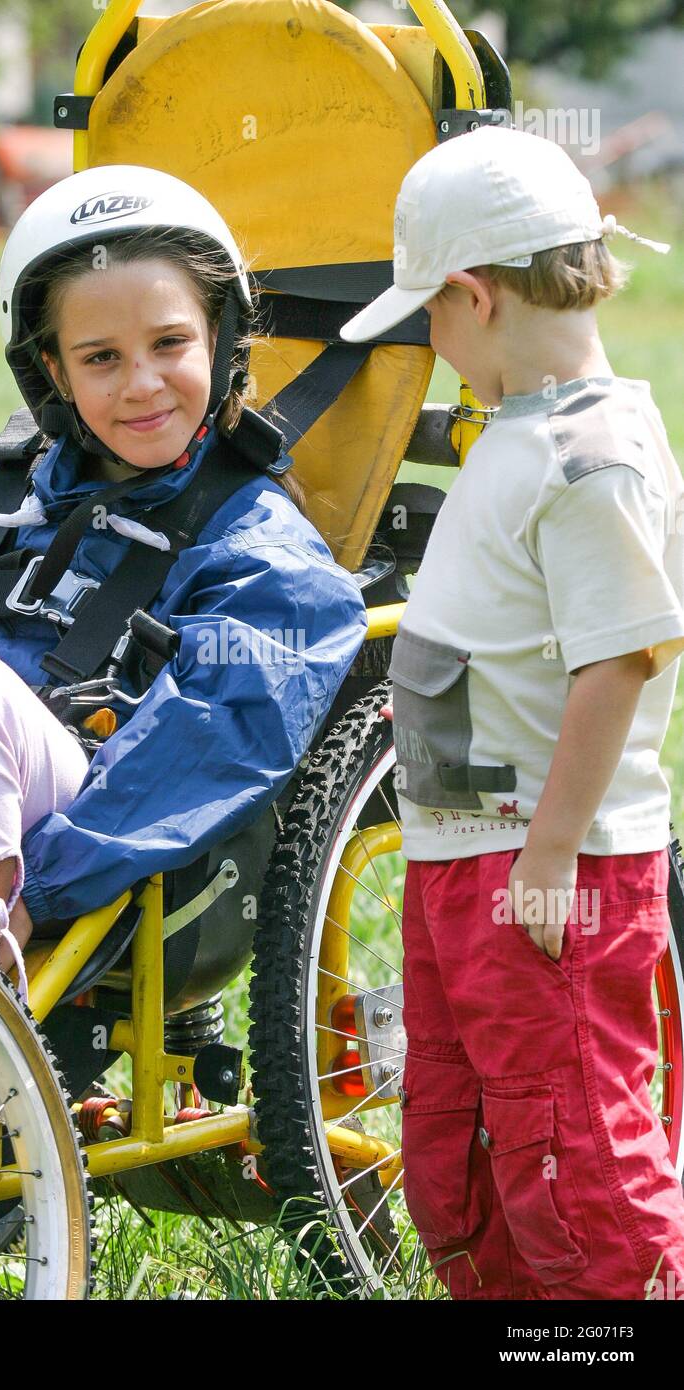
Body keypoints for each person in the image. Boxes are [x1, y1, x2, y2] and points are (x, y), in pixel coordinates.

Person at [0, 165, 368, 1263]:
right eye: (101, 358)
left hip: (111, 865)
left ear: (219, 340)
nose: (142, 384)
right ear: (52, 374)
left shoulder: (266, 556)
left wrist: (48, 882)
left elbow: (216, 738)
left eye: (169, 343)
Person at [341, 123, 684, 1300]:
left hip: (547, 876)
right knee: (461, 1143)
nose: (430, 350)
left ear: (472, 297)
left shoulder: (591, 461)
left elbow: (619, 663)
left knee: (572, 1151)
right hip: (463, 865)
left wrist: (545, 856)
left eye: (426, 321)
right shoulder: (522, 431)